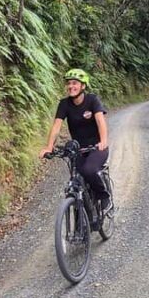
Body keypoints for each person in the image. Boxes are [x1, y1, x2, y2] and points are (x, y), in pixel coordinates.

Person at [40, 68, 111, 212]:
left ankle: (104, 196)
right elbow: (56, 126)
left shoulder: (92, 100)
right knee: (77, 181)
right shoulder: (64, 104)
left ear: (83, 86)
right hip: (77, 149)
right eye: (69, 84)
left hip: (96, 148)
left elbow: (100, 121)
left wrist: (103, 140)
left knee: (89, 170)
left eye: (75, 83)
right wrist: (49, 146)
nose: (71, 86)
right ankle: (82, 224)